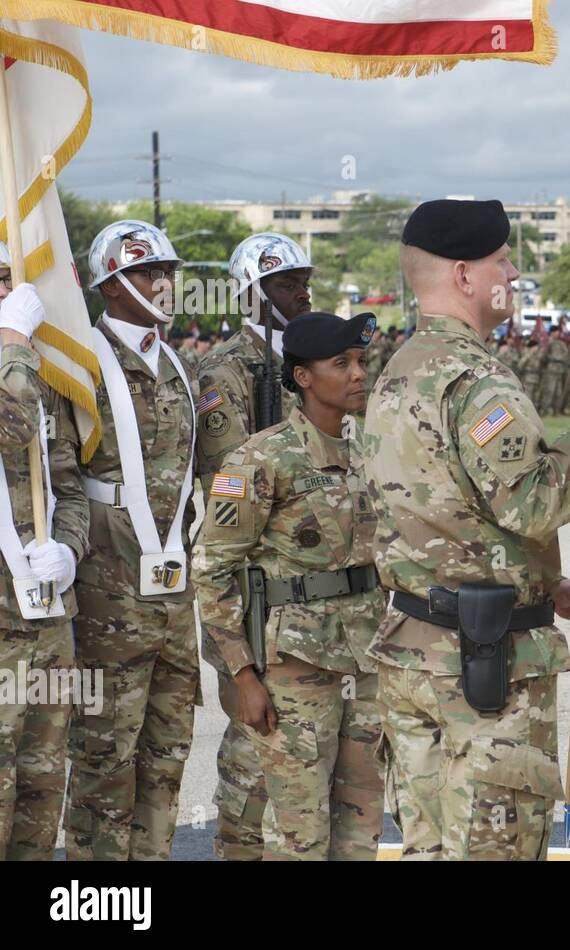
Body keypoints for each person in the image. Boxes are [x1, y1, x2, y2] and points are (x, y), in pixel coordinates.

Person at [363, 198, 570, 860]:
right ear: (464, 276)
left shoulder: (399, 369)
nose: (513, 272)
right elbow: (535, 505)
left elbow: (441, 514)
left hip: (415, 650)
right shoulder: (476, 380)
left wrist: (543, 584)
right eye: (503, 260)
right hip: (484, 672)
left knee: (430, 849)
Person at [194, 312, 386, 860]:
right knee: (298, 834)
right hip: (294, 670)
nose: (357, 374)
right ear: (302, 377)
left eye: (361, 362)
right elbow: (211, 568)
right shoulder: (260, 458)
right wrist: (242, 672)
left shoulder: (371, 452)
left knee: (361, 826)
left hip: (366, 661)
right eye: (341, 363)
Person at [65, 220, 200, 861]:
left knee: (167, 754)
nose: (165, 285)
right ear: (112, 287)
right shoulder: (79, 363)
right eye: (150, 274)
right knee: (103, 760)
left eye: (168, 274)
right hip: (107, 593)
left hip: (173, 593)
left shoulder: (175, 361)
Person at [192, 232, 312, 861]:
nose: (303, 291)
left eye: (303, 279)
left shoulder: (311, 361)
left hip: (309, 589)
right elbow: (230, 481)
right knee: (254, 752)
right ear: (253, 294)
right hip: (246, 588)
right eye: (288, 283)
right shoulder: (224, 370)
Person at [0, 252, 89, 860]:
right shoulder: (17, 368)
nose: (9, 291)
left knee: (40, 788)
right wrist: (11, 343)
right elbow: (10, 427)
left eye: (10, 280)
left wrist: (70, 550)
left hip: (44, 617)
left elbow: (72, 487)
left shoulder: (37, 380)